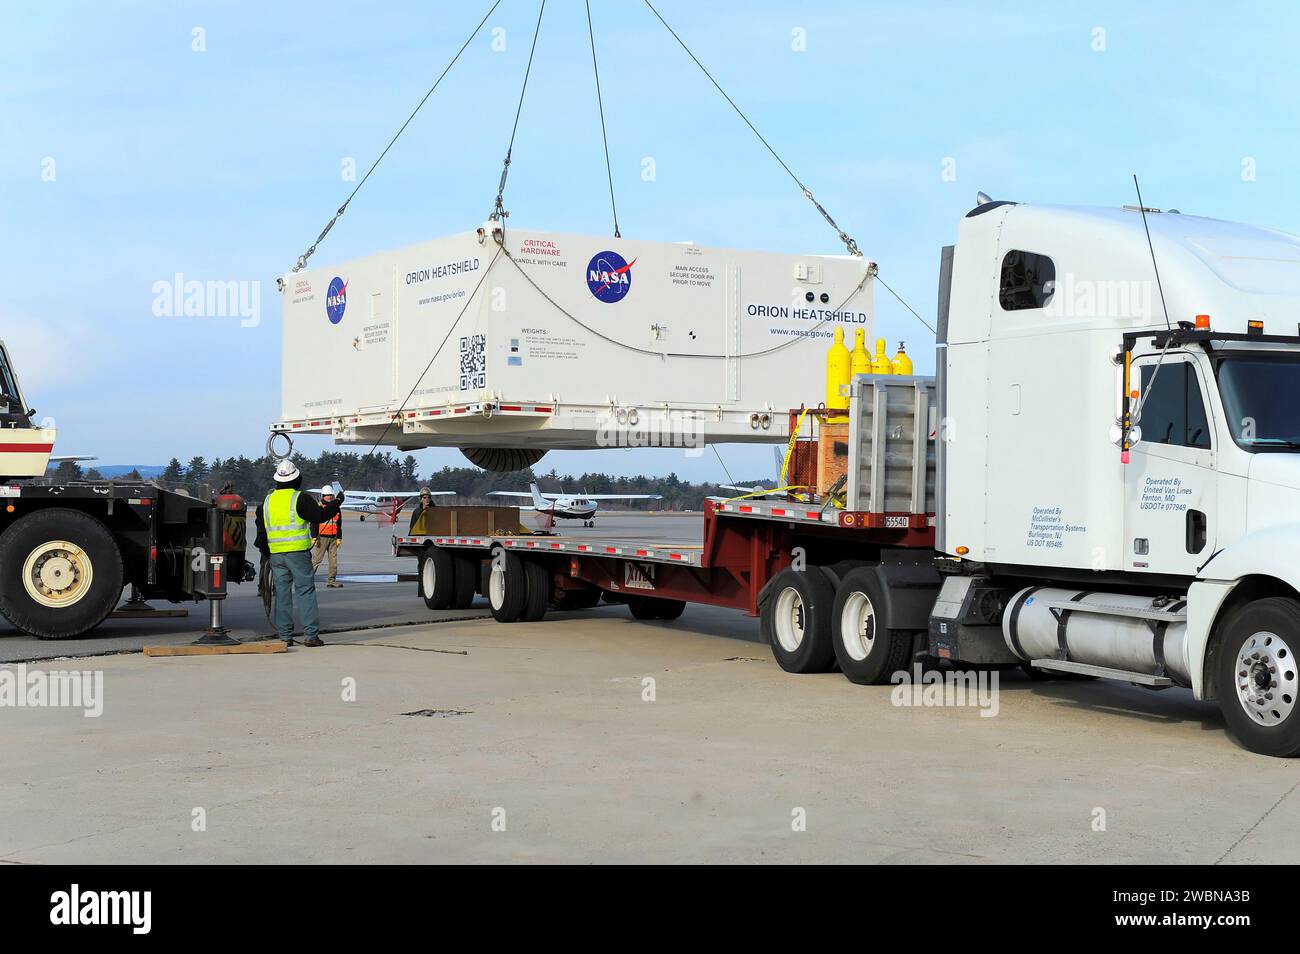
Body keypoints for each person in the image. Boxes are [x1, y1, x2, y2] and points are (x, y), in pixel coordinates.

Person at [254, 460, 344, 647]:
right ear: (296, 479)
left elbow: (261, 532)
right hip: (298, 554)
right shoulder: (300, 498)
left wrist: (266, 553)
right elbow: (319, 517)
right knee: (305, 591)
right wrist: (336, 503)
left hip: (276, 555)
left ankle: (285, 636)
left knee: (282, 594)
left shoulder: (267, 501)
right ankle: (310, 635)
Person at [311, 485, 344, 588]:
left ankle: (331, 581)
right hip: (321, 538)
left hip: (333, 538)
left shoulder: (336, 508)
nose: (329, 497)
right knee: (316, 561)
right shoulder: (318, 507)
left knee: (333, 562)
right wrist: (314, 537)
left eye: (330, 495)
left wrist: (339, 537)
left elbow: (339, 524)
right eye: (327, 495)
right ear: (323, 496)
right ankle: (307, 580)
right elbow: (314, 524)